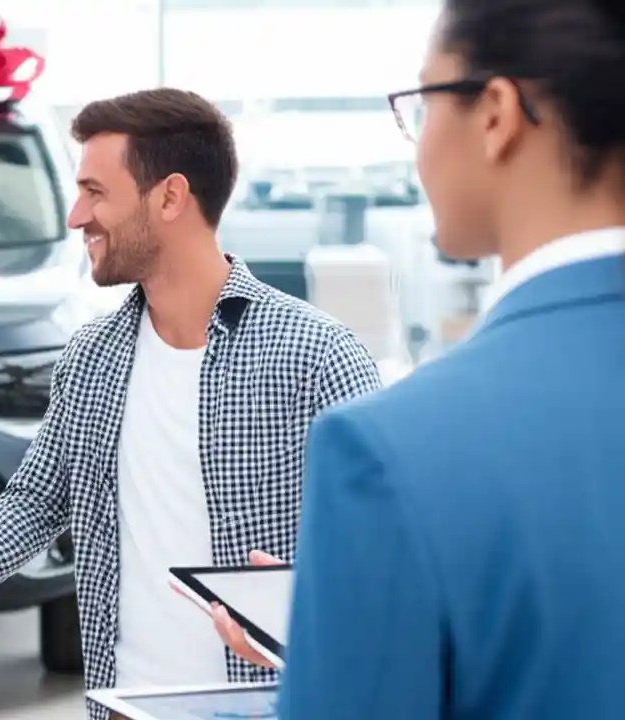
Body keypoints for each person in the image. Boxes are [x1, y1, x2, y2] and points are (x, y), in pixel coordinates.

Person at [0, 87, 383, 719]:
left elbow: (385, 552)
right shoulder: (94, 355)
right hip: (123, 707)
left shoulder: (317, 358)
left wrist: (306, 618)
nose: (75, 216)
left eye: (96, 192)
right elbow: (37, 500)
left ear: (170, 196)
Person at [253, 1, 625, 717]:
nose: (419, 144)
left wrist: (351, 641)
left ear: (495, 113)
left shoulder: (393, 451)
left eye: (423, 102)